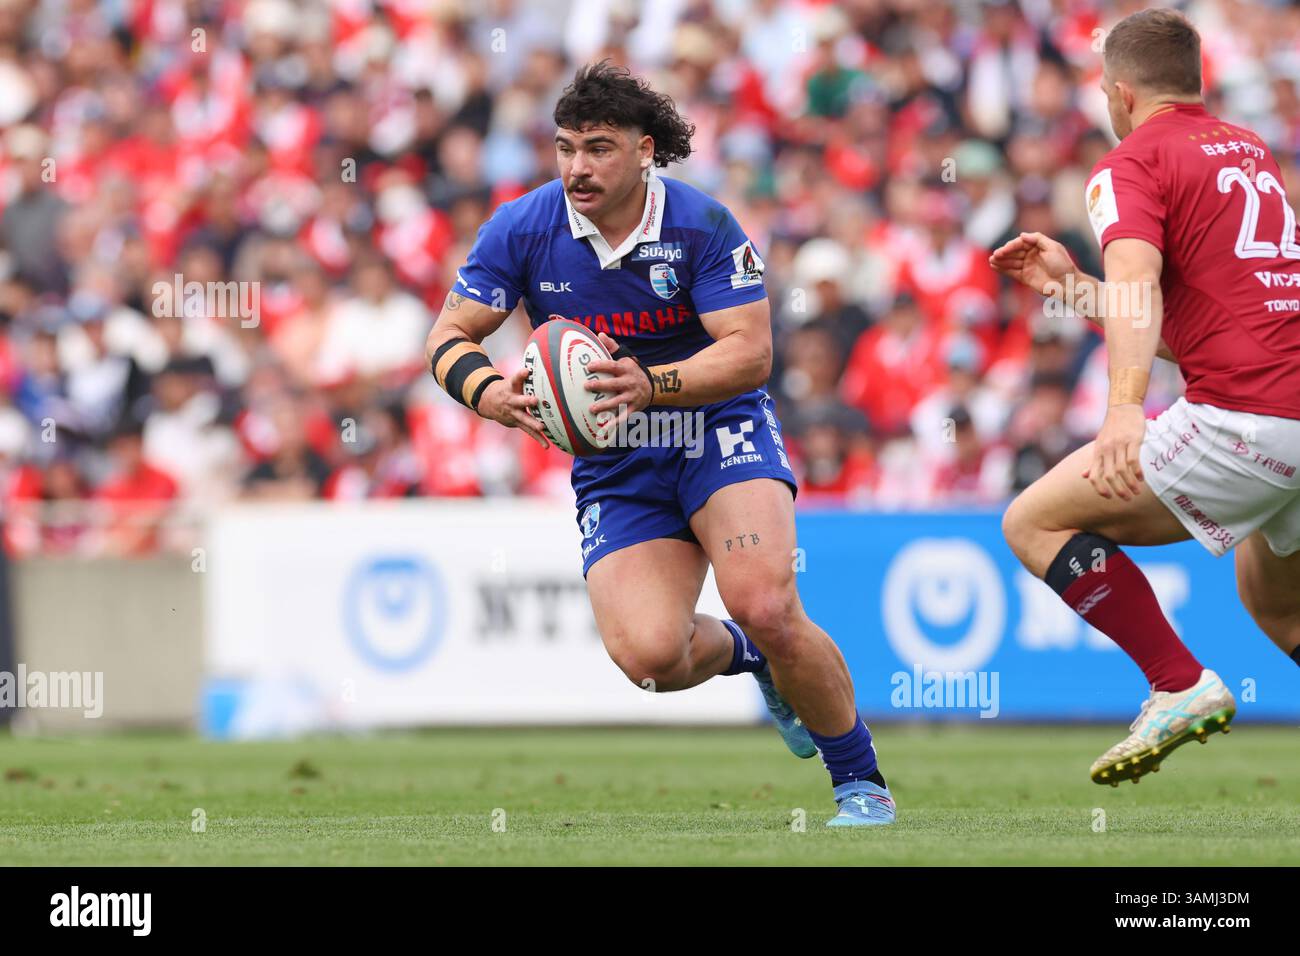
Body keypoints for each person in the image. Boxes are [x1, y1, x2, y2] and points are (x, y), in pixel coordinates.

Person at [425, 62, 894, 826]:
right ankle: (752, 656)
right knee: (650, 657)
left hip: (717, 426)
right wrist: (490, 393)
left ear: (645, 151)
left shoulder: (702, 223)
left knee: (767, 602)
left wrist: (652, 383)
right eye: (566, 147)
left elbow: (751, 354)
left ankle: (860, 783)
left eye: (599, 148)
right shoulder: (521, 227)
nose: (577, 167)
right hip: (615, 457)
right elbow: (448, 336)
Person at [991, 8, 1300, 786]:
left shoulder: (1129, 164)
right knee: (1279, 607)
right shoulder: (1248, 149)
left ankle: (1177, 682)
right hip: (1285, 410)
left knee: (1032, 521)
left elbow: (1138, 292)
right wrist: (1071, 288)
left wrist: (1124, 410)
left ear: (1121, 92)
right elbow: (1191, 326)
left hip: (1250, 419)